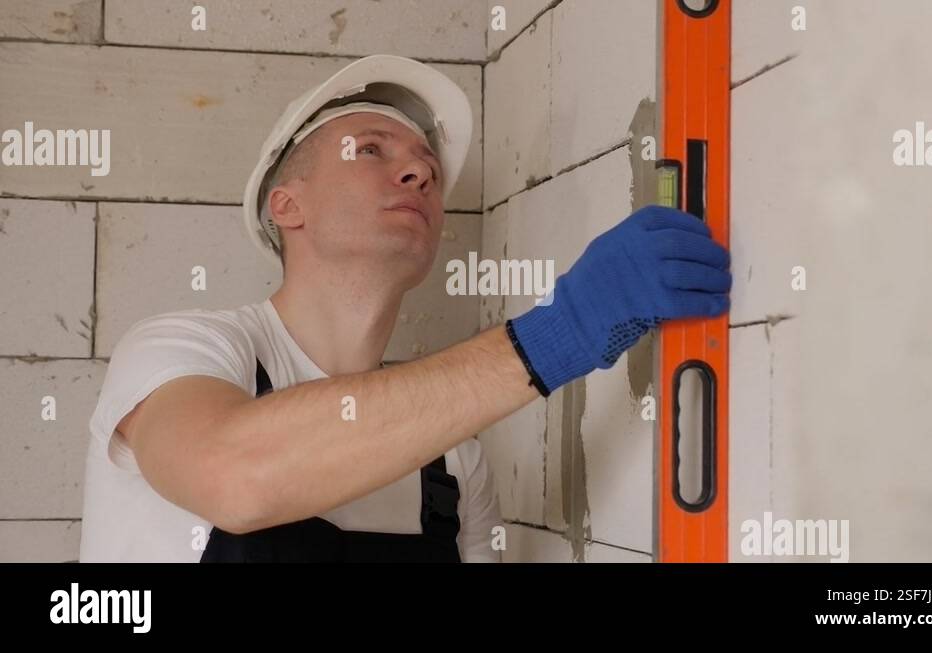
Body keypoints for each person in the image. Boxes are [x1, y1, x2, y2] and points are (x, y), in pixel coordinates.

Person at [79, 54, 731, 563]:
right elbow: (233, 475)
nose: (419, 173)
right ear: (288, 205)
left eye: (429, 168)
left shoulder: (452, 462)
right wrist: (562, 332)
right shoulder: (185, 352)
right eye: (371, 150)